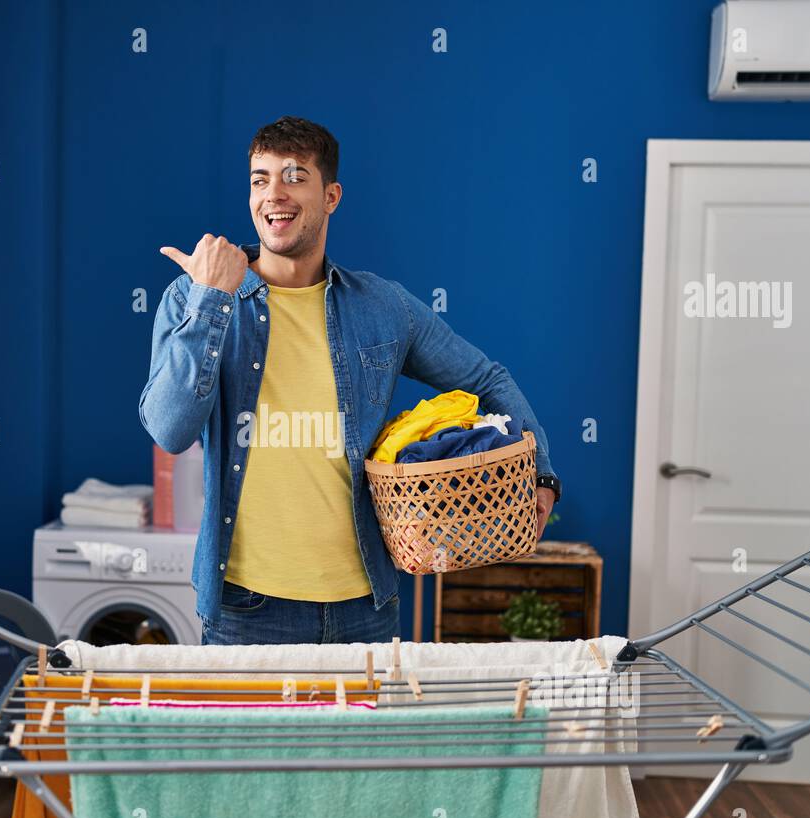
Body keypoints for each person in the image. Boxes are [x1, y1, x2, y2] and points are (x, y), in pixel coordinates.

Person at [141, 116, 559, 645]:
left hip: (364, 607)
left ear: (331, 195)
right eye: (259, 178)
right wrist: (211, 300)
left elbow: (486, 378)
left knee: (362, 735)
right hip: (245, 609)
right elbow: (170, 430)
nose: (274, 194)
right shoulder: (192, 296)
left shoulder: (382, 307)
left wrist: (540, 471)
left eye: (294, 176)